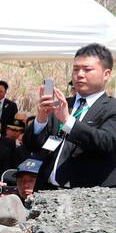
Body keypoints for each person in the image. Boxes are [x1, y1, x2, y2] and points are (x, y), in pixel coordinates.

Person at [22, 43, 116, 189]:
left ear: (106, 74)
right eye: (76, 69)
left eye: (87, 69)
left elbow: (105, 142)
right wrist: (40, 119)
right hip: (47, 191)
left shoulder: (111, 108)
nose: (79, 75)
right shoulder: (61, 104)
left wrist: (68, 121)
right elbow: (31, 145)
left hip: (88, 196)